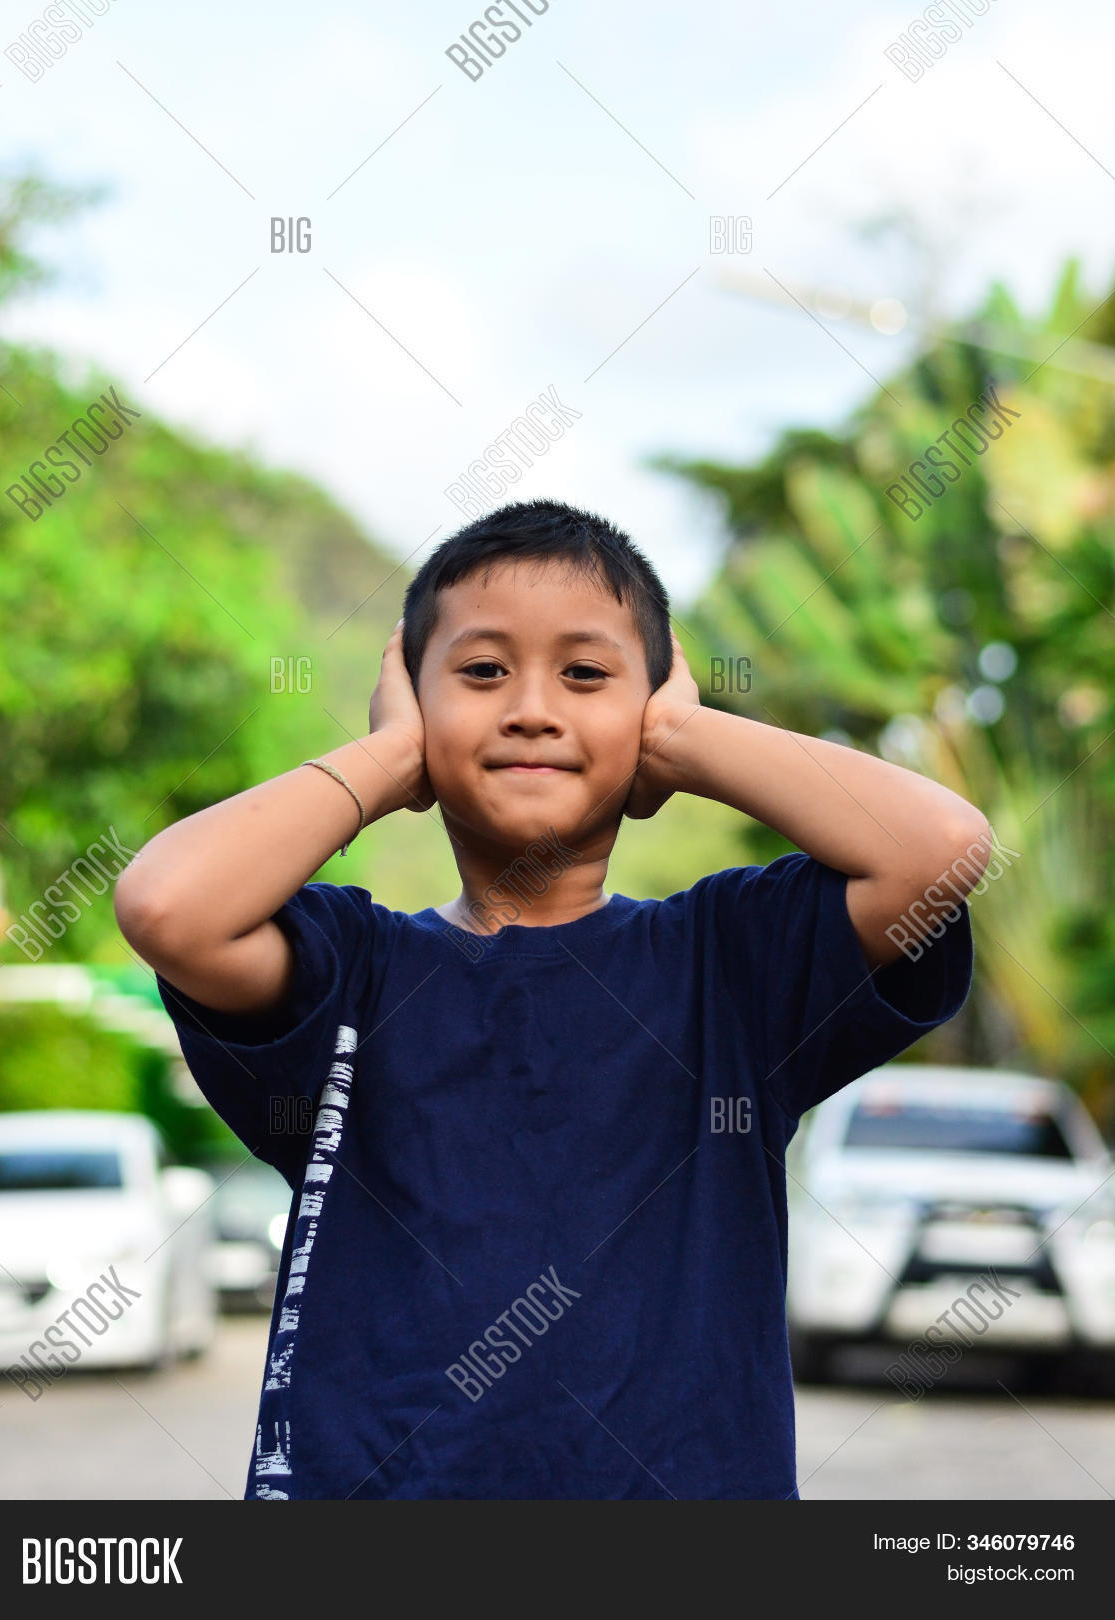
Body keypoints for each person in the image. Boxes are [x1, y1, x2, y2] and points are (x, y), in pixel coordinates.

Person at [115, 497, 985, 1500]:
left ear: (652, 719)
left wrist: (692, 740)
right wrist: (393, 760)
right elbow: (167, 906)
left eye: (586, 674)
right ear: (410, 704)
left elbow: (940, 849)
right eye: (480, 673)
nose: (532, 708)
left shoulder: (728, 965)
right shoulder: (348, 968)